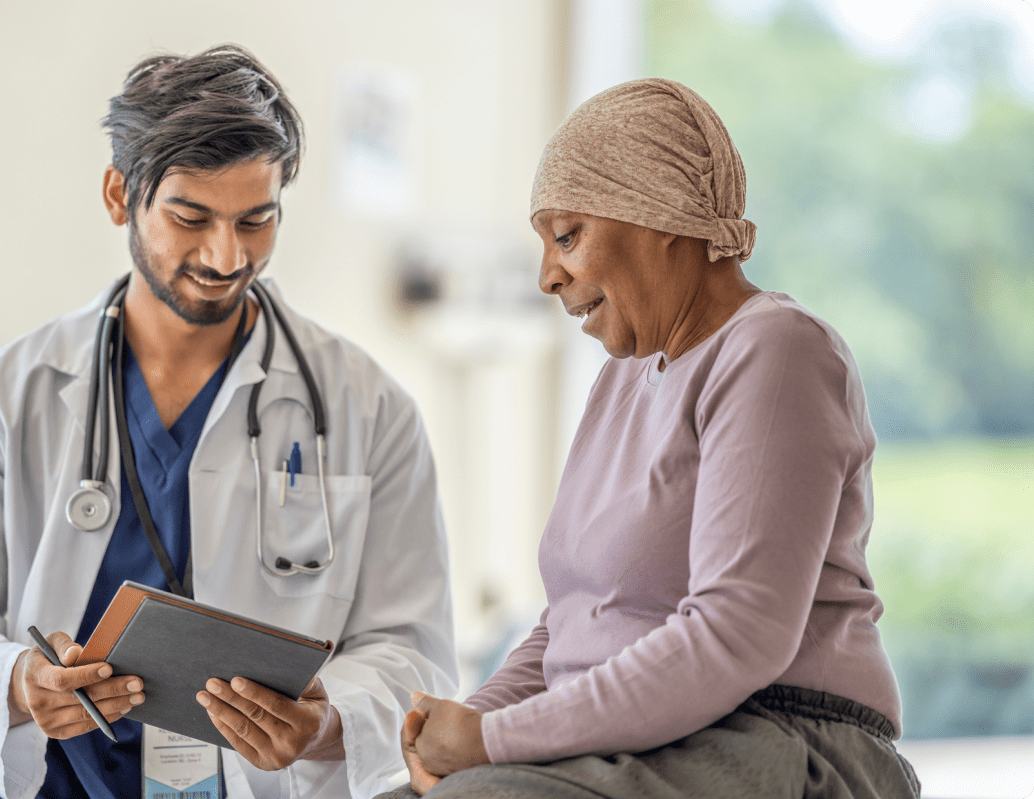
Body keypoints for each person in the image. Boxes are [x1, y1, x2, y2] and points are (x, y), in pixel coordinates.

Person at [0, 44, 456, 799]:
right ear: (120, 195)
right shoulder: (6, 396)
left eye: (257, 220)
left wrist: (327, 721)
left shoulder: (368, 408)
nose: (226, 254)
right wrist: (20, 683)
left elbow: (413, 646)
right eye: (191, 217)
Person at [383, 78, 920, 798]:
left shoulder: (776, 348)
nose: (548, 275)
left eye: (567, 237)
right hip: (644, 745)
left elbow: (739, 633)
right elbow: (571, 624)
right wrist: (466, 723)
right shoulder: (624, 380)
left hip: (782, 735)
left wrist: (490, 742)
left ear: (660, 213)